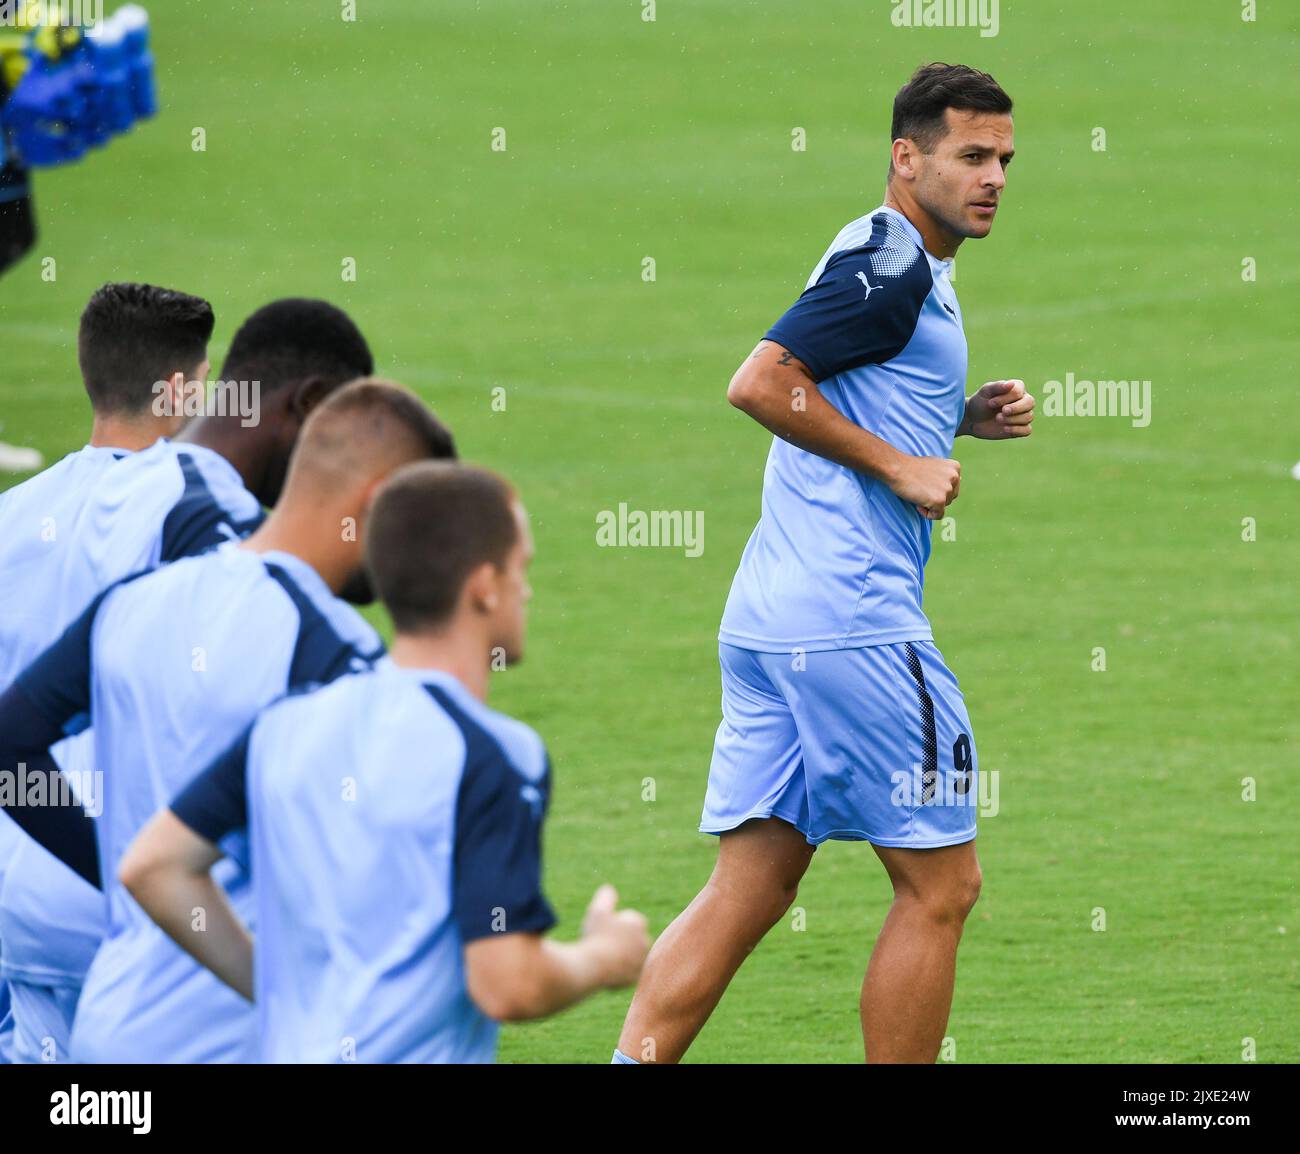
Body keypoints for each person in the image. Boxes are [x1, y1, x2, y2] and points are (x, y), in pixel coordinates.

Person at [615, 62, 1034, 1064]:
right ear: (907, 157)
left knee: (751, 882)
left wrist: (950, 422)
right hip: (855, 621)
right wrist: (900, 464)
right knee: (942, 885)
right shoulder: (888, 263)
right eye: (970, 156)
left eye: (1005, 159)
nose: (994, 178)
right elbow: (761, 381)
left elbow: (839, 386)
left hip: (770, 621)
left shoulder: (893, 256)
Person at [121, 461, 649, 1062]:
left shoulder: (283, 726)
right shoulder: (496, 754)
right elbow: (508, 982)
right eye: (520, 567)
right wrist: (603, 959)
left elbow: (153, 867)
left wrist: (273, 992)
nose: (527, 589)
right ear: (484, 585)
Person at [0, 380, 456, 1062]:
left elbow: (11, 745)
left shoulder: (134, 601)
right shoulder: (338, 655)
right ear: (371, 502)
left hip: (106, 1022)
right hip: (224, 1038)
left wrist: (112, 859)